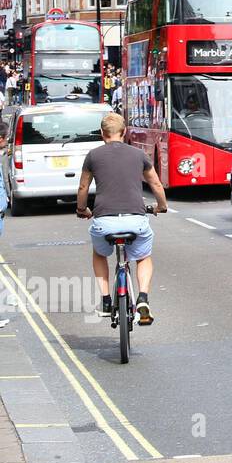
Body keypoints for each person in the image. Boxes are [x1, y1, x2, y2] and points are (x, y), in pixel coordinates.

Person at [76, 113, 168, 324]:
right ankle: (143, 298)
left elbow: (83, 187)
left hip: (104, 221)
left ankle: (107, 300)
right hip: (135, 220)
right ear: (124, 132)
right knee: (143, 256)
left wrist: (82, 209)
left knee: (99, 253)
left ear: (102, 134)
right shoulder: (138, 155)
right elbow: (155, 184)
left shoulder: (93, 155)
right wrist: (161, 207)